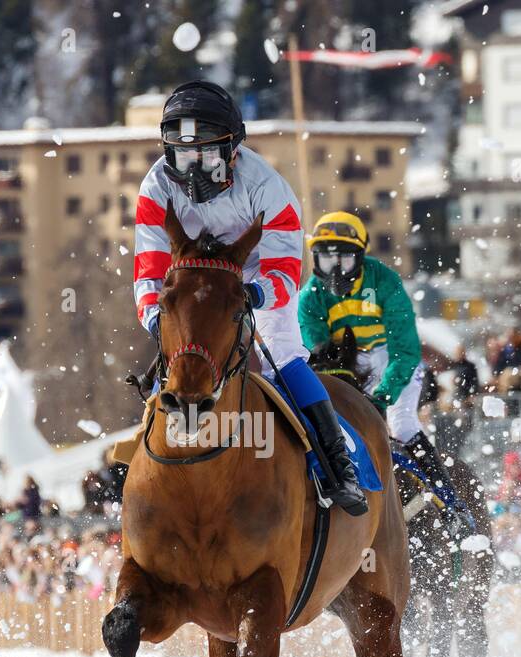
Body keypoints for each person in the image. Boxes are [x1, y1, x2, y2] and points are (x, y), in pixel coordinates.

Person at [133, 81, 366, 516]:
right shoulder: (155, 187)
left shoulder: (268, 188)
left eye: (205, 155)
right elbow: (149, 267)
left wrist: (255, 295)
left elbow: (285, 272)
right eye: (183, 155)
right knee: (172, 356)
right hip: (193, 279)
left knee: (283, 349)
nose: (194, 168)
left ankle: (337, 464)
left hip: (254, 275)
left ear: (233, 150)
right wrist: (154, 318)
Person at [297, 210, 450, 496]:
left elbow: (404, 350)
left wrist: (383, 397)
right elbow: (321, 357)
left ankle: (451, 505)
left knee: (402, 425)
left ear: (361, 255)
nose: (336, 270)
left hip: (391, 359)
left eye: (345, 258)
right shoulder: (309, 298)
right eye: (327, 259)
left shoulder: (385, 281)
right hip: (347, 364)